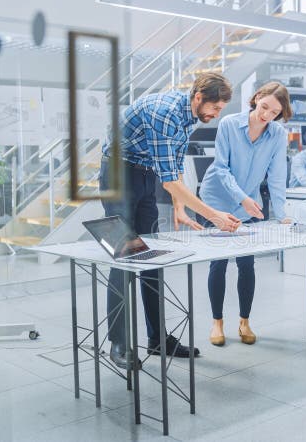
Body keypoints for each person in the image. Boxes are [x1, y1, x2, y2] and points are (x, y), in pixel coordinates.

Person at [99, 73, 242, 369]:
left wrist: (180, 206)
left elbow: (173, 166)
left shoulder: (189, 115)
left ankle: (157, 339)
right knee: (123, 257)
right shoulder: (164, 113)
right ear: (199, 97)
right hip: (115, 173)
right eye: (215, 109)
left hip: (144, 173)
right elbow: (170, 181)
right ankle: (119, 342)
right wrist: (213, 215)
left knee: (151, 258)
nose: (216, 116)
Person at [198, 81, 293, 346]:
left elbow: (276, 176)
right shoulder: (229, 124)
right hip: (216, 200)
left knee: (246, 263)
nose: (266, 115)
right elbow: (221, 167)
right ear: (257, 98)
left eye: (274, 113)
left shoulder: (276, 135)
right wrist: (243, 197)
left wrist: (281, 213)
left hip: (247, 204)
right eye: (264, 107)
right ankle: (217, 323)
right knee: (218, 262)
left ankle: (244, 322)